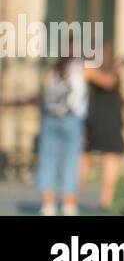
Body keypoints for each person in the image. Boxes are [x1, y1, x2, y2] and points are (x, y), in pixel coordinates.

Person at [35, 54, 89, 215]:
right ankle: (69, 204)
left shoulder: (52, 68)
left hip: (50, 117)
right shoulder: (81, 68)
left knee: (47, 160)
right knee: (71, 161)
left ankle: (48, 205)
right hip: (71, 118)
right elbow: (106, 80)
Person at [81, 44, 124, 210]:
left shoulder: (112, 74)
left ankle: (105, 201)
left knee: (110, 159)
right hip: (94, 120)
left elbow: (109, 82)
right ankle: (72, 197)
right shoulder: (92, 72)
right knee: (83, 158)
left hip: (108, 120)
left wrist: (116, 69)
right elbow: (101, 79)